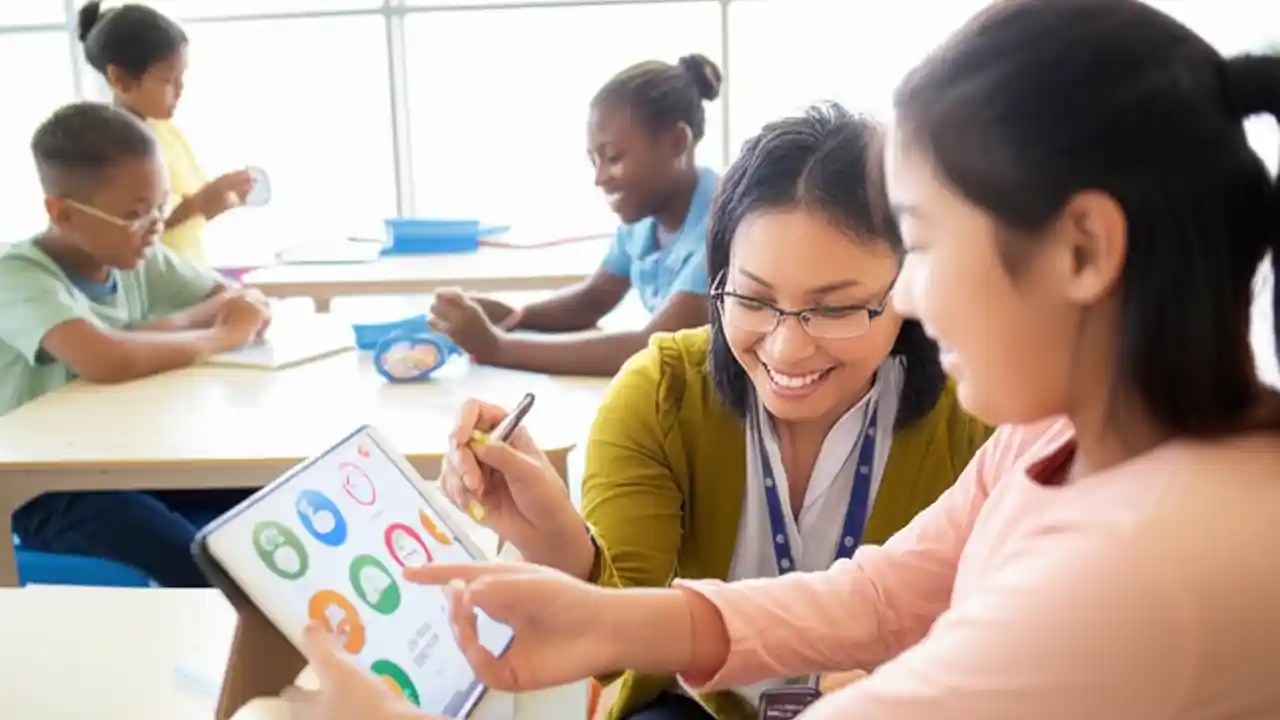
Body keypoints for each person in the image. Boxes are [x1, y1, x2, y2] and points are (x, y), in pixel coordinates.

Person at [286, 0, 1280, 718]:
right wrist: (611, 622)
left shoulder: (1141, 570)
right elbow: (881, 592)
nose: (916, 300)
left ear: (1081, 250)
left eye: (922, 245)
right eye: (754, 301)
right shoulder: (1059, 431)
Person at [463, 104, 989, 720]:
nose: (787, 347)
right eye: (753, 298)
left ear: (910, 290)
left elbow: (1004, 630)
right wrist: (554, 532)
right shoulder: (662, 396)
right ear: (717, 278)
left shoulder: (975, 412)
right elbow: (610, 643)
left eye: (837, 308)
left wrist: (899, 689)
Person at [0, 102, 270, 586]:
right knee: (208, 567)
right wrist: (224, 333)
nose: (156, 226)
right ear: (62, 213)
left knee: (273, 512)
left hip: (134, 459)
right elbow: (104, 358)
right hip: (47, 489)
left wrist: (196, 321)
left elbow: (232, 296)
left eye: (161, 207)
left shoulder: (135, 253)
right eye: (135, 213)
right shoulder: (16, 275)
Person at [428, 55, 723, 376]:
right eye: (593, 161)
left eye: (613, 157)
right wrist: (515, 317)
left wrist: (495, 346)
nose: (600, 178)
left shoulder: (723, 229)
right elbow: (591, 299)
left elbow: (650, 349)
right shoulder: (643, 223)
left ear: (676, 141)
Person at [79, 1, 254, 267]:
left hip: (188, 269)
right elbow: (133, 226)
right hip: (152, 281)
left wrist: (217, 201)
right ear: (119, 79)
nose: (180, 88)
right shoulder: (112, 145)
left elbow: (185, 214)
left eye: (181, 77)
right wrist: (199, 205)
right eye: (167, 80)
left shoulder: (165, 131)